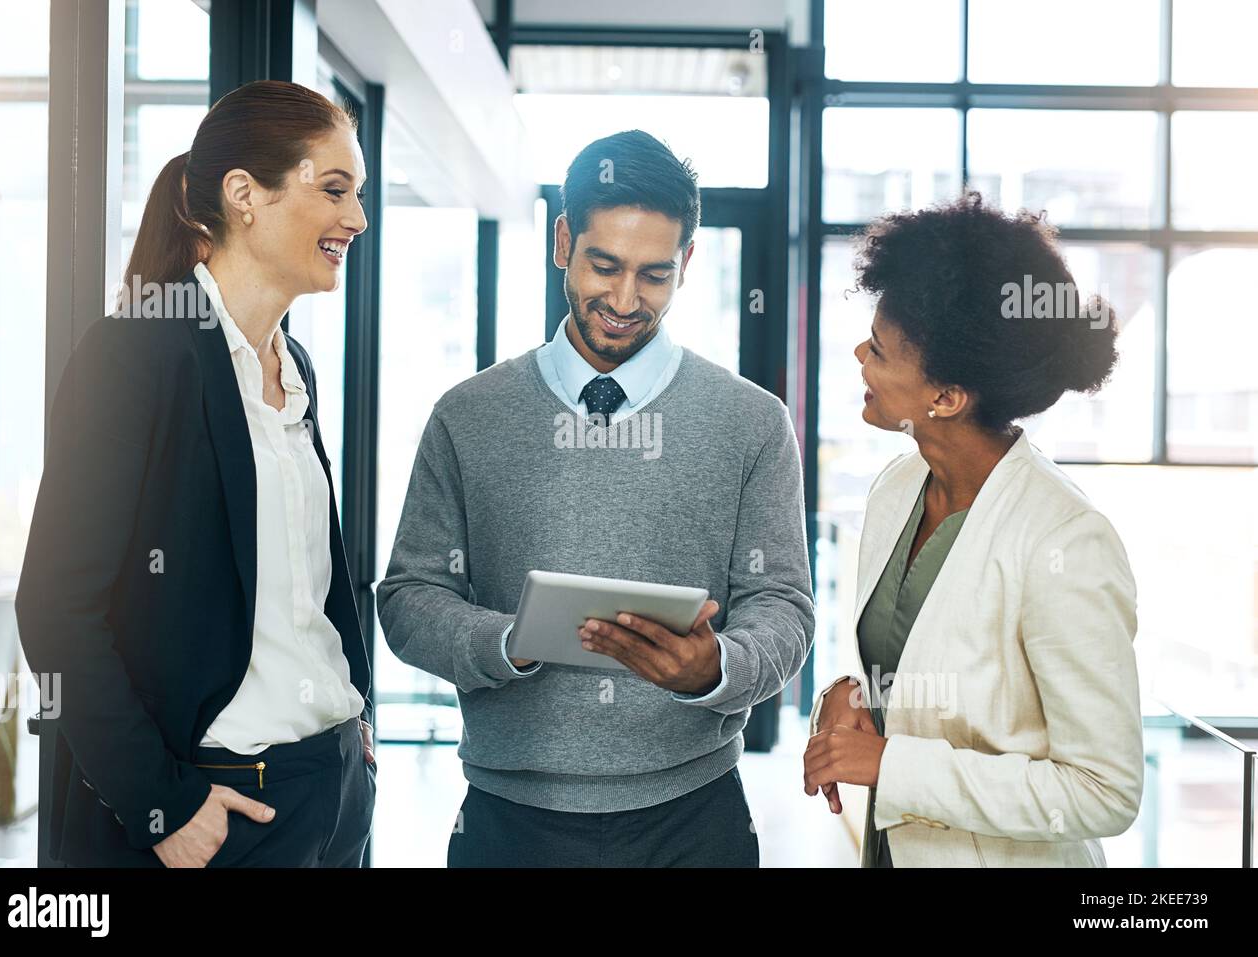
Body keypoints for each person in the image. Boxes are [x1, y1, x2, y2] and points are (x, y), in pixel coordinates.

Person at [377, 130, 815, 867]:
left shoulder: (750, 421)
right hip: (511, 817)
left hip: (693, 817)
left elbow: (785, 607)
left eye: (654, 275)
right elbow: (409, 598)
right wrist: (507, 643)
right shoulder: (470, 415)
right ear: (562, 242)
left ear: (687, 264)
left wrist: (715, 668)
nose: (623, 300)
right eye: (604, 266)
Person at [16, 80, 376, 868]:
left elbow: (310, 589)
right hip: (220, 806)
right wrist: (162, 805)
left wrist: (355, 723)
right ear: (244, 195)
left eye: (358, 193)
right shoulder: (134, 355)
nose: (356, 217)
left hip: (334, 790)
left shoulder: (295, 366)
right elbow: (53, 608)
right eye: (334, 189)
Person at [803, 193, 1143, 867]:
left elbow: (1105, 790)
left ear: (947, 396)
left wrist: (892, 765)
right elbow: (914, 667)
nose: (860, 355)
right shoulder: (897, 487)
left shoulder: (1065, 541)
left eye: (880, 350)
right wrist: (847, 695)